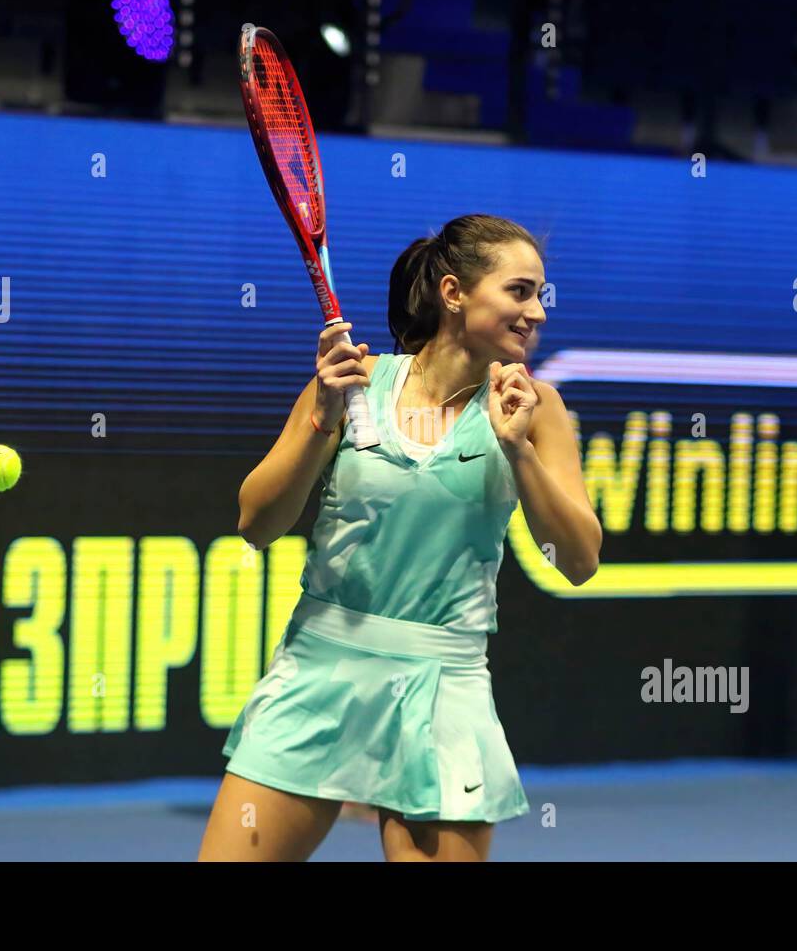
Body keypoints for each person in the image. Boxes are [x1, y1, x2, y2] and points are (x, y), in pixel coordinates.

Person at [198, 214, 601, 860]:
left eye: (541, 296)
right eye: (520, 291)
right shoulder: (353, 384)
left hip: (443, 683)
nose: (538, 312)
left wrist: (516, 449)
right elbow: (256, 523)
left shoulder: (537, 407)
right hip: (319, 670)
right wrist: (319, 420)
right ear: (453, 292)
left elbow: (579, 561)